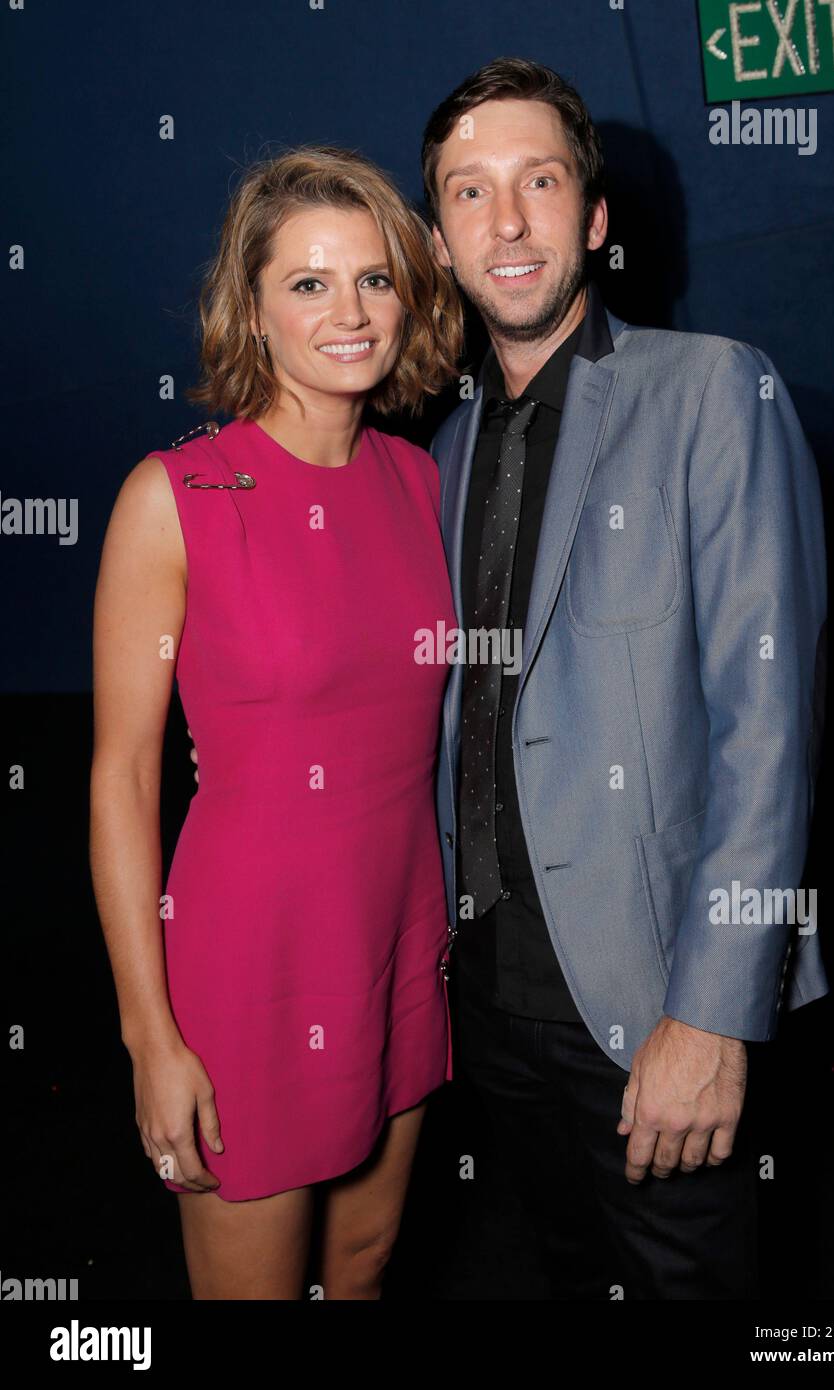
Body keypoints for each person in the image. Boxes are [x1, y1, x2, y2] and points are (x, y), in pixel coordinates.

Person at [421, 58, 829, 1298]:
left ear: (593, 220)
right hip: (482, 1011)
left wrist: (712, 1014)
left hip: (652, 1007)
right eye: (468, 193)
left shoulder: (712, 387)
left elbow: (766, 725)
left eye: (537, 181)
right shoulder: (436, 448)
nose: (506, 221)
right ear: (437, 241)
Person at [89, 145, 463, 1299]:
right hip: (247, 963)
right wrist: (150, 1039)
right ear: (249, 311)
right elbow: (121, 781)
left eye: (373, 278)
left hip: (399, 936)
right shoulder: (177, 497)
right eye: (306, 283)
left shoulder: (420, 480)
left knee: (364, 1260)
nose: (348, 312)